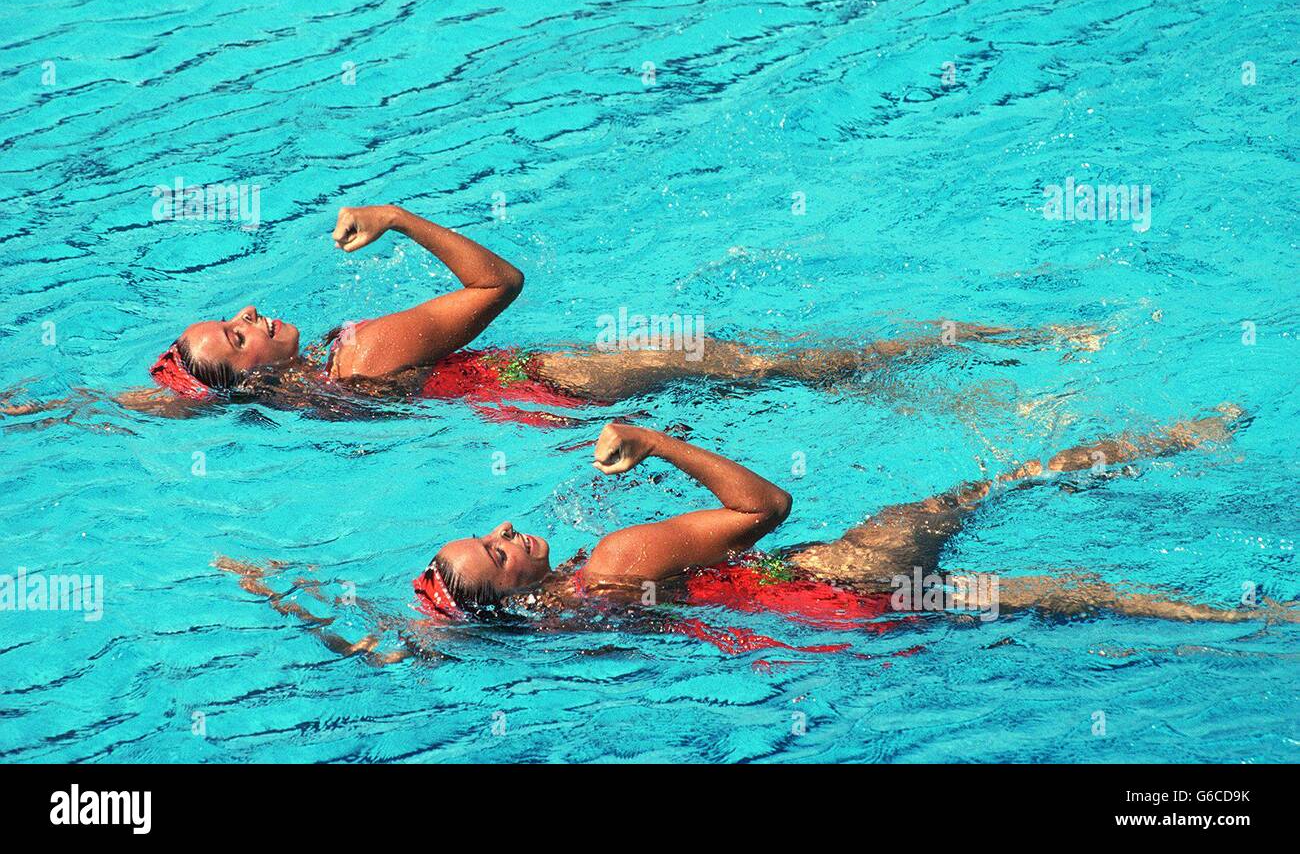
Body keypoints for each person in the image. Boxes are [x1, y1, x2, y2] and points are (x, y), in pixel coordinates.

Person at [217, 405, 1292, 665]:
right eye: (498, 550)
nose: (506, 527)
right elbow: (765, 509)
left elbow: (402, 650)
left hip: (834, 632)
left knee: (1063, 598)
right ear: (508, 587)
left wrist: (285, 597)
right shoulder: (616, 560)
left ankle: (1253, 620)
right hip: (836, 577)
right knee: (988, 487)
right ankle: (1169, 437)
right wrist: (657, 440)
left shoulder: (549, 627)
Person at [1, 204, 1099, 425]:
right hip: (559, 379)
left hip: (525, 416)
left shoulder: (297, 400)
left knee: (769, 386)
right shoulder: (361, 348)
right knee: (775, 363)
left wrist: (42, 407)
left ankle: (943, 381)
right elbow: (499, 287)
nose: (250, 311)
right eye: (240, 333)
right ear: (250, 368)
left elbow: (166, 402)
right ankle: (996, 349)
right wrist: (401, 217)